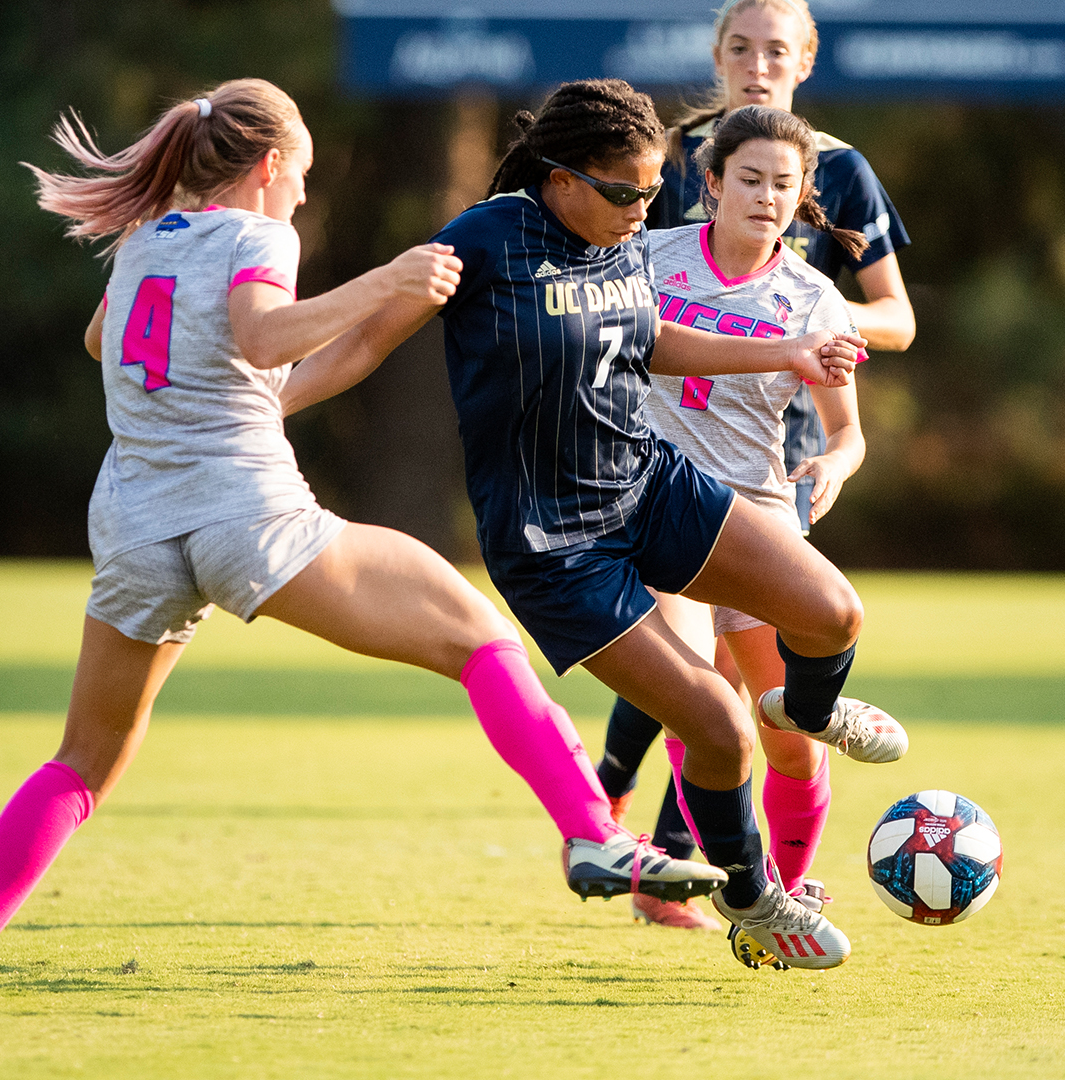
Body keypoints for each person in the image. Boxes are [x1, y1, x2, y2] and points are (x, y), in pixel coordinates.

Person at [0, 79, 723, 1003]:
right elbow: (260, 334)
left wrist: (201, 370)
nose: (305, 197)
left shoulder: (142, 247)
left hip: (132, 526)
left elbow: (102, 343)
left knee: (81, 762)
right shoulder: (260, 234)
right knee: (478, 636)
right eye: (305, 176)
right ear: (273, 167)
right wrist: (389, 279)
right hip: (246, 515)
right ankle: (591, 832)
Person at [311, 79, 904, 971]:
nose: (640, 208)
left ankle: (809, 711)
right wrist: (260, 401)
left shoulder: (620, 242)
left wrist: (780, 350)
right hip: (557, 548)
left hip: (651, 486)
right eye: (624, 191)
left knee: (833, 614)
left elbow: (649, 338)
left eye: (649, 189)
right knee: (718, 727)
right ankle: (751, 896)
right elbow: (361, 343)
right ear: (558, 178)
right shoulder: (485, 239)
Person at [595, 0, 917, 929]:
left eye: (784, 185)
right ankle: (707, 875)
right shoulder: (649, 252)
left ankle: (784, 867)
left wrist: (841, 453)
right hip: (653, 500)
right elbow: (610, 328)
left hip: (761, 508)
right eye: (749, 180)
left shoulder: (816, 292)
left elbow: (844, 418)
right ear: (710, 180)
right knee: (706, 700)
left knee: (780, 733)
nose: (765, 196)